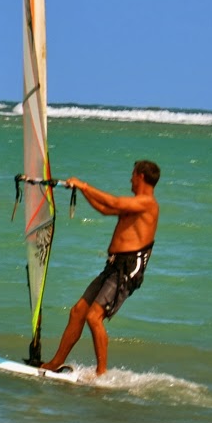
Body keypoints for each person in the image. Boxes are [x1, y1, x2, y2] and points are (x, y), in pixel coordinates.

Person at [39, 159, 160, 376]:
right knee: (78, 311)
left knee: (94, 316)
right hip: (113, 265)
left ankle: (101, 374)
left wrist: (84, 185)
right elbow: (105, 209)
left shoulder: (147, 203)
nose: (130, 179)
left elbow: (114, 202)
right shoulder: (134, 204)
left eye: (132, 174)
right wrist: (81, 190)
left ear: (141, 176)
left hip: (128, 268)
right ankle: (55, 362)